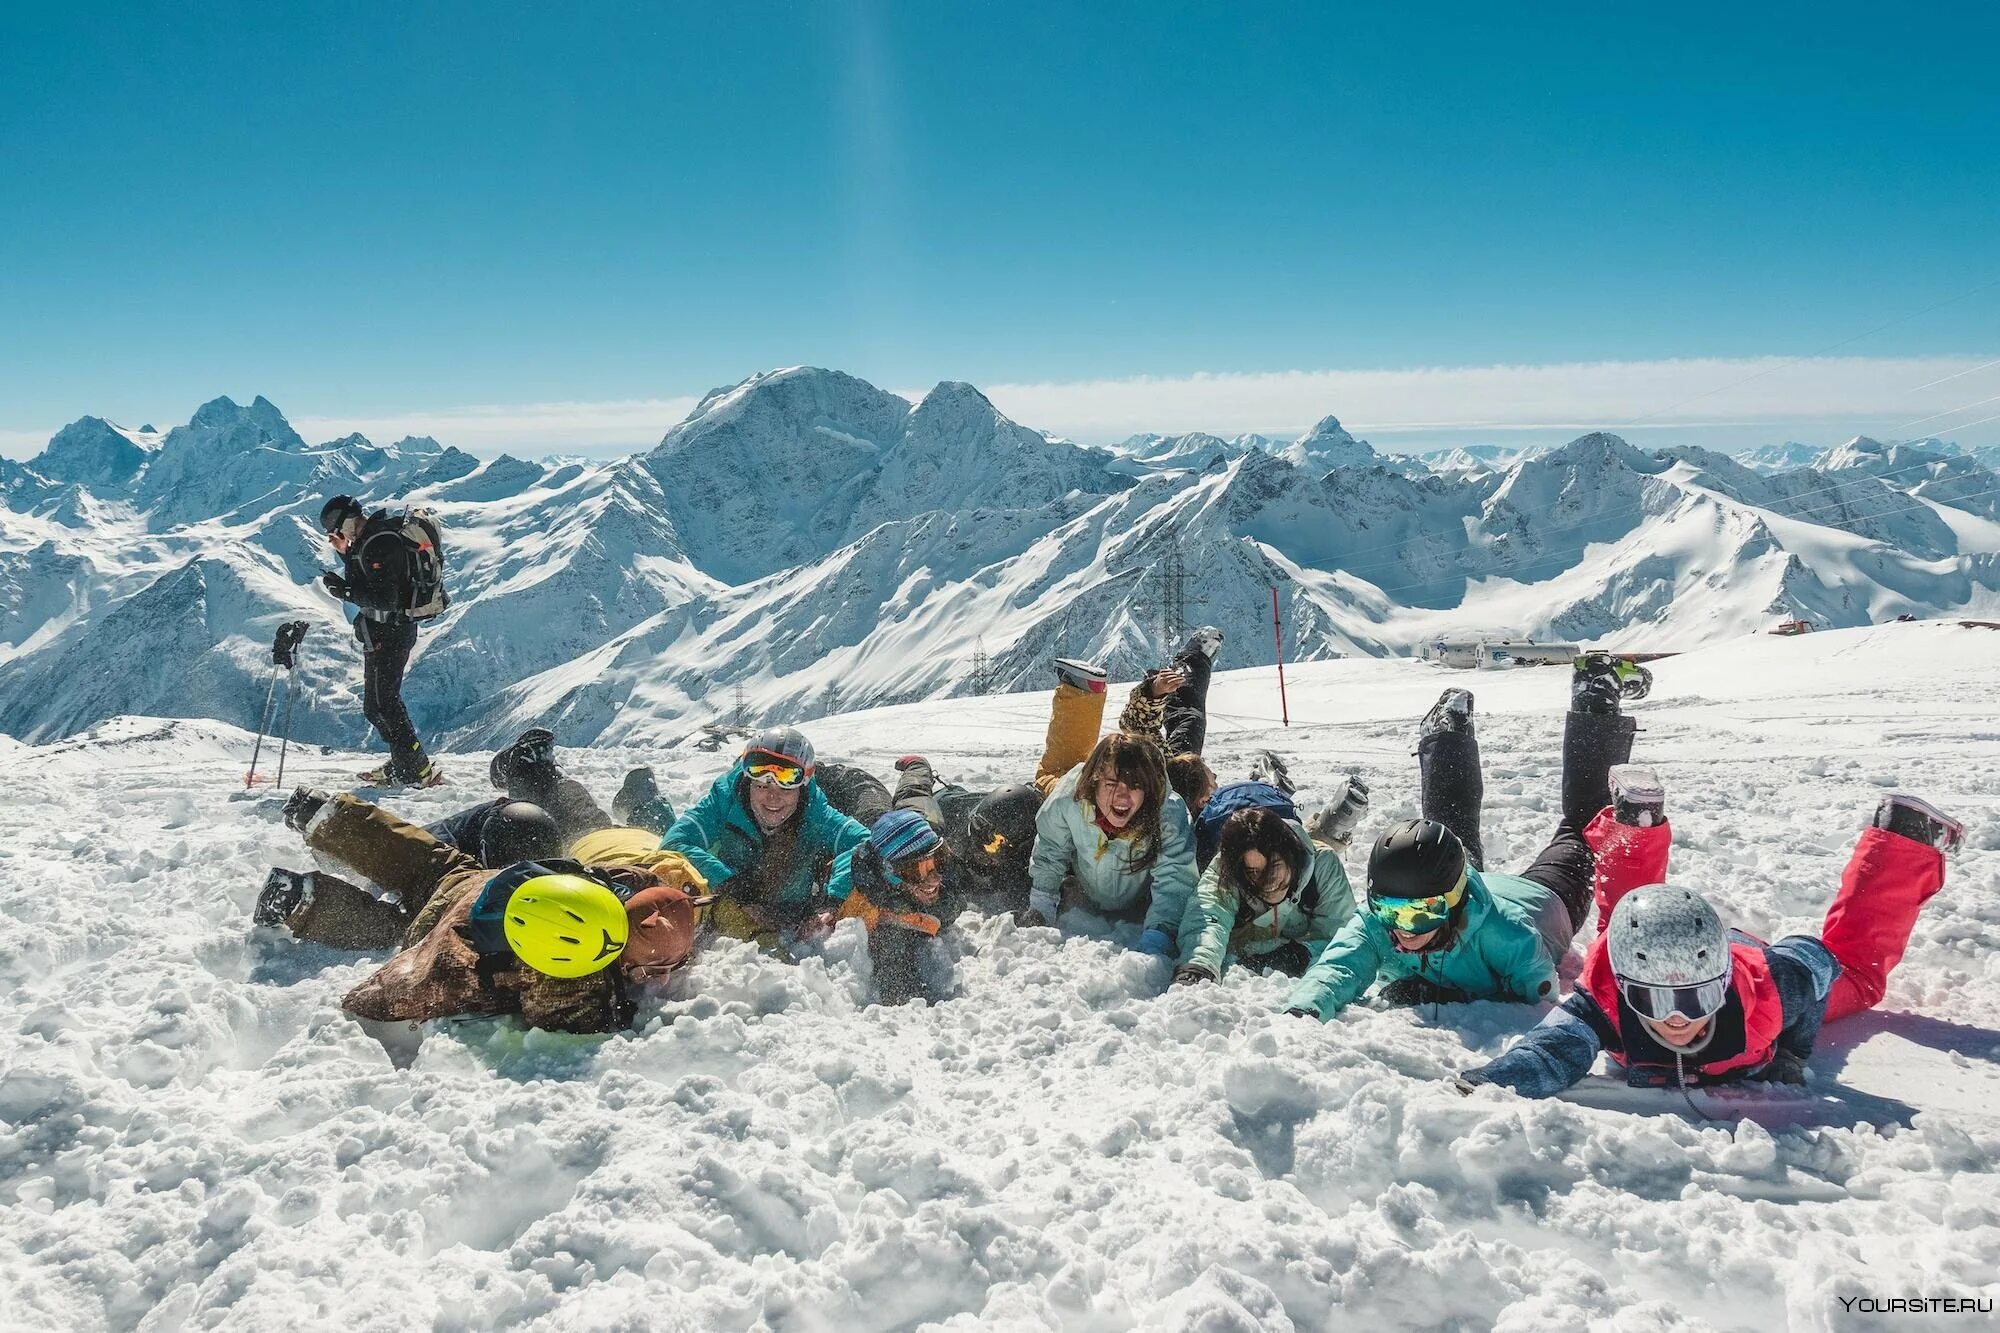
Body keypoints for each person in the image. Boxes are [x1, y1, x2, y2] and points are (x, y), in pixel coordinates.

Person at [1459, 794, 1964, 1097]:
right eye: (1655, 1001)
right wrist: (1490, 1081)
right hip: (1648, 947)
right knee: (1619, 927)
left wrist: (1792, 1049)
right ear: (1627, 992)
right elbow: (1551, 1051)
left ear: (1721, 986)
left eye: (1696, 999)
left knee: (1857, 974)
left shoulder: (1771, 990)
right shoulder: (1604, 1001)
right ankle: (1636, 822)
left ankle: (1906, 839)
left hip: (1747, 954)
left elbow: (1816, 961)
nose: (1679, 1018)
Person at [1284, 658, 1643, 1019]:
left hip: (1542, 901)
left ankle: (1596, 697)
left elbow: (1536, 1001)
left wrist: (1447, 994)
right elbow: (1338, 968)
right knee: (1445, 839)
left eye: (1422, 913)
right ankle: (1448, 732)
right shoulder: (1380, 922)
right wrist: (1305, 1009)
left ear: (1452, 901)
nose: (1404, 928)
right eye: (1391, 910)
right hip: (1467, 889)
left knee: (1583, 828)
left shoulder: (1508, 935)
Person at [257, 789, 709, 1032]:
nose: (660, 979)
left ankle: (330, 817)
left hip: (484, 884)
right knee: (394, 930)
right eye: (655, 968)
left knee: (432, 863)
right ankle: (300, 901)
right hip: (452, 931)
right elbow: (562, 1017)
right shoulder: (578, 960)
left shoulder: (615, 886)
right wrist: (618, 1011)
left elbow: (646, 882)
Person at [1024, 658, 1199, 956]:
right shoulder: (1069, 798)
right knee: (1046, 781)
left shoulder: (1167, 813)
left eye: (1135, 786)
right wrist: (1041, 903)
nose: (1122, 796)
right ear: (1094, 783)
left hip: (1140, 901)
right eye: (1112, 784)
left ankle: (1081, 692)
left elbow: (1175, 879)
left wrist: (1159, 932)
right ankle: (1079, 692)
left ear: (1149, 790)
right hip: (1083, 887)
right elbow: (1051, 849)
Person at [659, 726, 870, 951]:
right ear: (748, 781)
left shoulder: (816, 813)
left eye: (785, 788)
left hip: (793, 909)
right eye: (762, 784)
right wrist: (733, 884)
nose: (772, 797)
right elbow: (674, 843)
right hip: (730, 897)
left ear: (802, 787)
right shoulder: (725, 800)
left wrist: (832, 902)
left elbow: (866, 844)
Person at [317, 494, 440, 788]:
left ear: (345, 521)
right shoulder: (372, 539)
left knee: (382, 705)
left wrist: (344, 591)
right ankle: (407, 762)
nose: (334, 535)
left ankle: (414, 768)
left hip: (391, 633)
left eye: (334, 529)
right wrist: (346, 554)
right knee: (380, 705)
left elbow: (386, 598)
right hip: (385, 633)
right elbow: (372, 576)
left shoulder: (379, 542)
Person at [1172, 801, 1358, 983]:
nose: (1269, 882)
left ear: (1292, 855)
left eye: (1275, 866)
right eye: (1254, 872)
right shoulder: (1226, 870)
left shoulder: (1323, 868)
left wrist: (1299, 954)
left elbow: (1341, 938)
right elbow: (1208, 918)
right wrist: (1199, 966)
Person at [833, 810, 957, 1004]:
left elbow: (953, 898)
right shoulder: (865, 905)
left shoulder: (933, 879)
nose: (934, 879)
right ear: (891, 873)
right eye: (917, 870)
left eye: (938, 860)